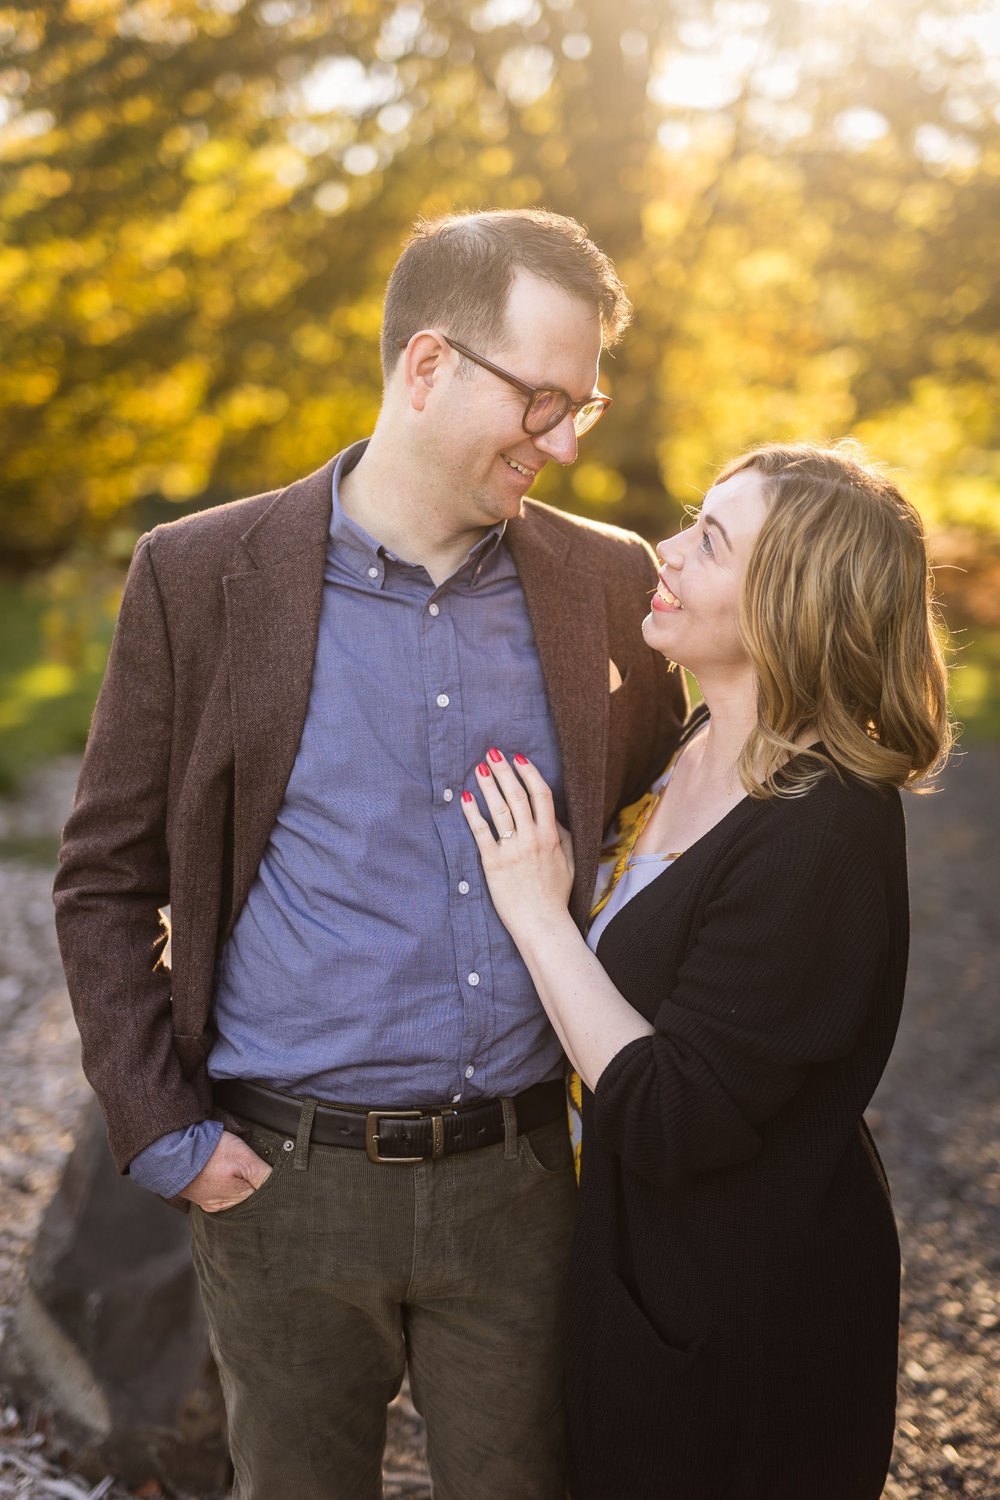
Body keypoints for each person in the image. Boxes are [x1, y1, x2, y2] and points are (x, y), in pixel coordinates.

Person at [52, 208, 687, 1500]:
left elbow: (674, 832)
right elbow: (106, 878)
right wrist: (161, 1126)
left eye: (588, 410)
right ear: (428, 365)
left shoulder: (610, 583)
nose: (564, 443)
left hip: (524, 1184)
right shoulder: (200, 573)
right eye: (546, 401)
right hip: (282, 1189)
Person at [460, 443, 952, 1500]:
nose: (669, 550)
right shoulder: (693, 744)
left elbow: (674, 1114)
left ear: (790, 607)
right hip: (638, 1271)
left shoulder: (822, 833)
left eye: (711, 542)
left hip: (741, 1315)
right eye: (693, 520)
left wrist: (535, 916)